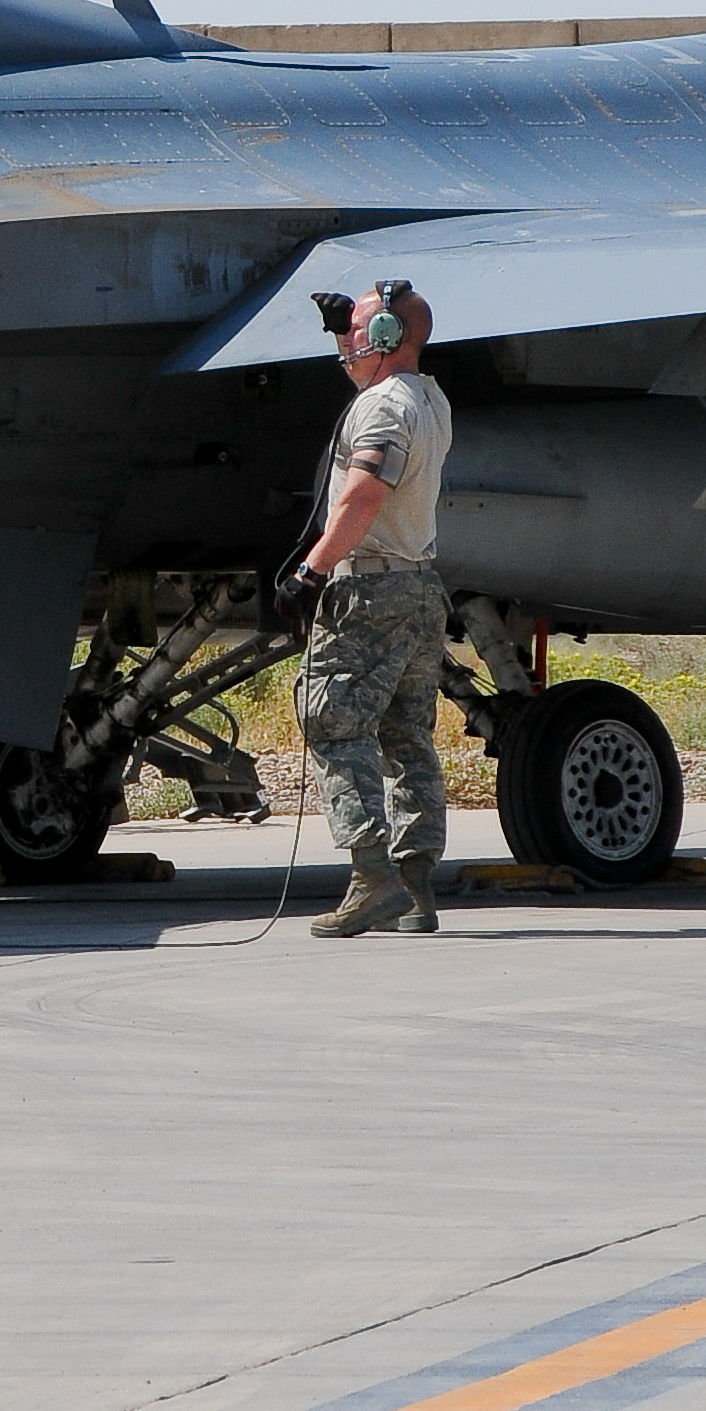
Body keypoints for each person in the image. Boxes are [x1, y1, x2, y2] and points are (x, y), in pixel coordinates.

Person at [277, 278, 453, 939]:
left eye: (358, 330)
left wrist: (310, 571)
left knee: (333, 722)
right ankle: (416, 885)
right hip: (419, 587)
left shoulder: (381, 408)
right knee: (407, 733)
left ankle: (372, 876)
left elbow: (362, 497)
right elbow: (374, 381)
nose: (348, 342)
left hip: (369, 591)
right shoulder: (428, 397)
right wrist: (342, 335)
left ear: (386, 337)